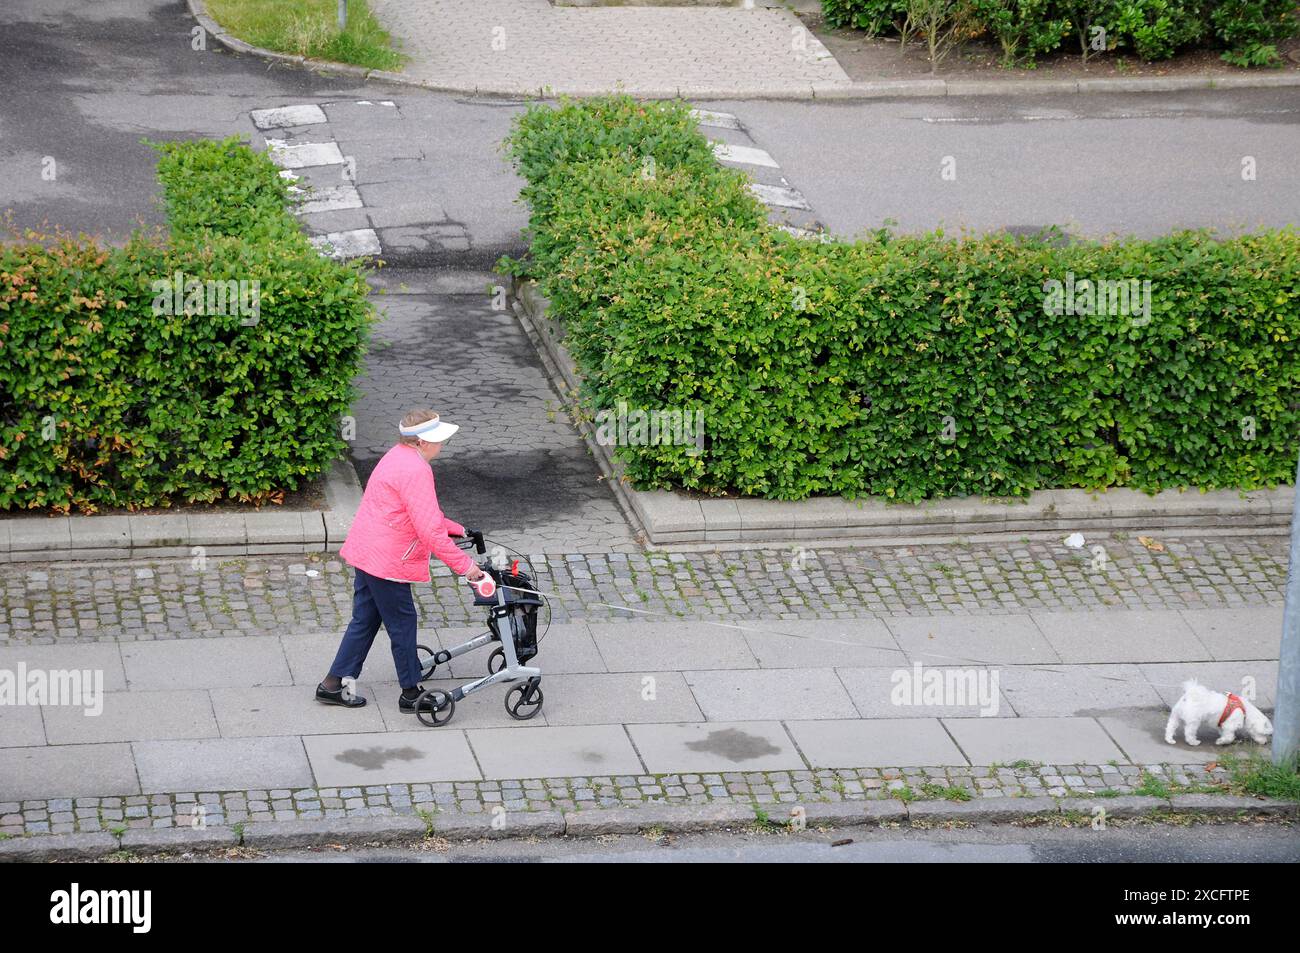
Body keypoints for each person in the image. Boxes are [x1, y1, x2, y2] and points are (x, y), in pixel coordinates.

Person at [317, 409, 487, 713]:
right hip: (389, 561)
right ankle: (411, 693)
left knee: (365, 619)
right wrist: (467, 568)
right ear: (422, 442)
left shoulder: (397, 455)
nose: (442, 445)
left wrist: (459, 529)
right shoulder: (417, 471)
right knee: (403, 624)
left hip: (368, 552)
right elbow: (429, 530)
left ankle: (332, 684)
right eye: (438, 440)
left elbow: (418, 513)